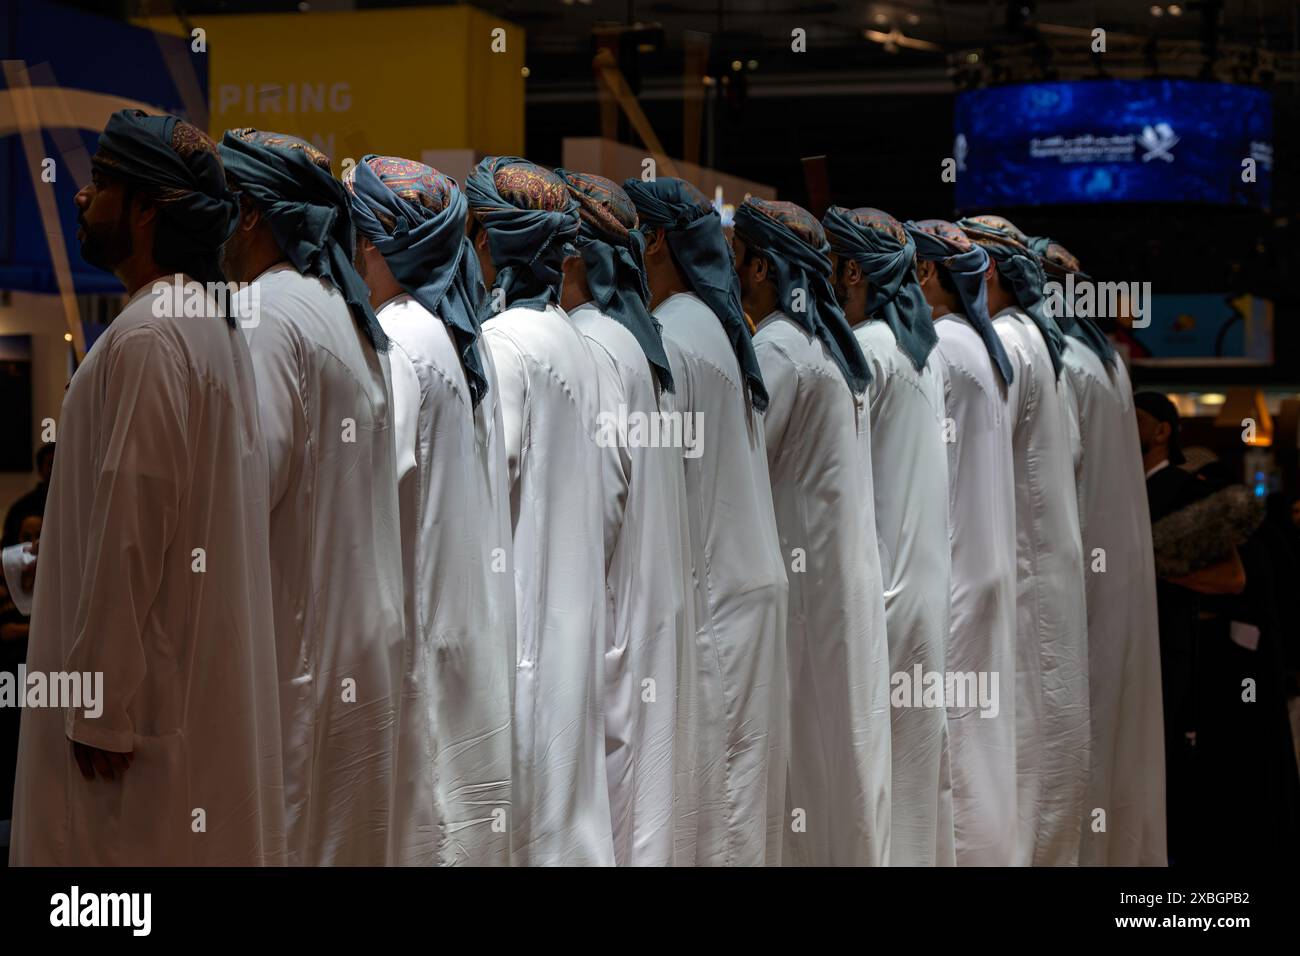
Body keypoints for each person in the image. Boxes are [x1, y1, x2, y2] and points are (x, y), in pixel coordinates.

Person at [10, 110, 284, 865]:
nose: (80, 198)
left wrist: (99, 706)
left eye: (101, 184)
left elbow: (136, 523)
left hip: (130, 725)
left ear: (145, 210)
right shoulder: (200, 323)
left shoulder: (152, 334)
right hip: (174, 698)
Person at [219, 128, 405, 866]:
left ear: (255, 215)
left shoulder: (266, 315)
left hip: (297, 652)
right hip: (358, 646)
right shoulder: (350, 314)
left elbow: (245, 491)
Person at [344, 155, 514, 866]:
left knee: (425, 829)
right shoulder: (447, 332)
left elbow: (375, 494)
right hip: (458, 634)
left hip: (418, 641)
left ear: (380, 246)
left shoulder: (400, 342)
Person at [623, 176, 788, 867]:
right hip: (740, 591)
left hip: (718, 600)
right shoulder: (713, 326)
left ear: (655, 240)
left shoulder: (672, 337)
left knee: (712, 802)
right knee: (737, 798)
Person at [733, 197, 890, 866]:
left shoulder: (777, 347)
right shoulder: (829, 344)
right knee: (835, 746)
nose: (731, 269)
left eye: (740, 257)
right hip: (834, 576)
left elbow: (743, 469)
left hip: (803, 584)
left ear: (764, 267)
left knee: (799, 745)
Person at [466, 156, 609, 866]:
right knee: (564, 815)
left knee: (527, 822)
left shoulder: (504, 345)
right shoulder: (569, 337)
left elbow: (489, 496)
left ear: (491, 241)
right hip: (570, 623)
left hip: (522, 626)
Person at [554, 170, 692, 866]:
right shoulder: (631, 338)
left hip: (610, 614)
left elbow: (602, 501)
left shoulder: (596, 342)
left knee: (612, 813)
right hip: (637, 611)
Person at [958, 215, 1089, 867]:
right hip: (1045, 577)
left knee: (1018, 758)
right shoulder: (1042, 339)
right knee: (1045, 756)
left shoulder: (1004, 342)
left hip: (1022, 580)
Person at [824, 207, 953, 866]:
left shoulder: (868, 350)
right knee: (918, 770)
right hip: (925, 585)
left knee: (880, 766)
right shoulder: (921, 352)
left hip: (889, 593)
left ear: (854, 270)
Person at [1031, 238, 1166, 866]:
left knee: (1077, 740)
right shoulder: (1104, 357)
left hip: (1082, 582)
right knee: (1115, 739)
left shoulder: (1065, 365)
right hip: (1112, 580)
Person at [905, 219, 1018, 865]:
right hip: (984, 563)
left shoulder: (941, 347)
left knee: (951, 746)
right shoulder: (980, 346)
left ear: (926, 274)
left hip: (952, 568)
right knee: (981, 740)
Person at [1134, 392, 1246, 863]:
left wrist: (1152, 569)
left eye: (1135, 417)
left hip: (1167, 651)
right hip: (1126, 653)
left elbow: (1232, 577)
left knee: (1166, 770)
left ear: (1163, 430)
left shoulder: (1184, 489)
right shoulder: (1117, 486)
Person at [1, 444, 54, 550]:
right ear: (40, 470)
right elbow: (7, 550)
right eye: (51, 464)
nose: (57, 470)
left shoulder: (77, 506)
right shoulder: (21, 509)